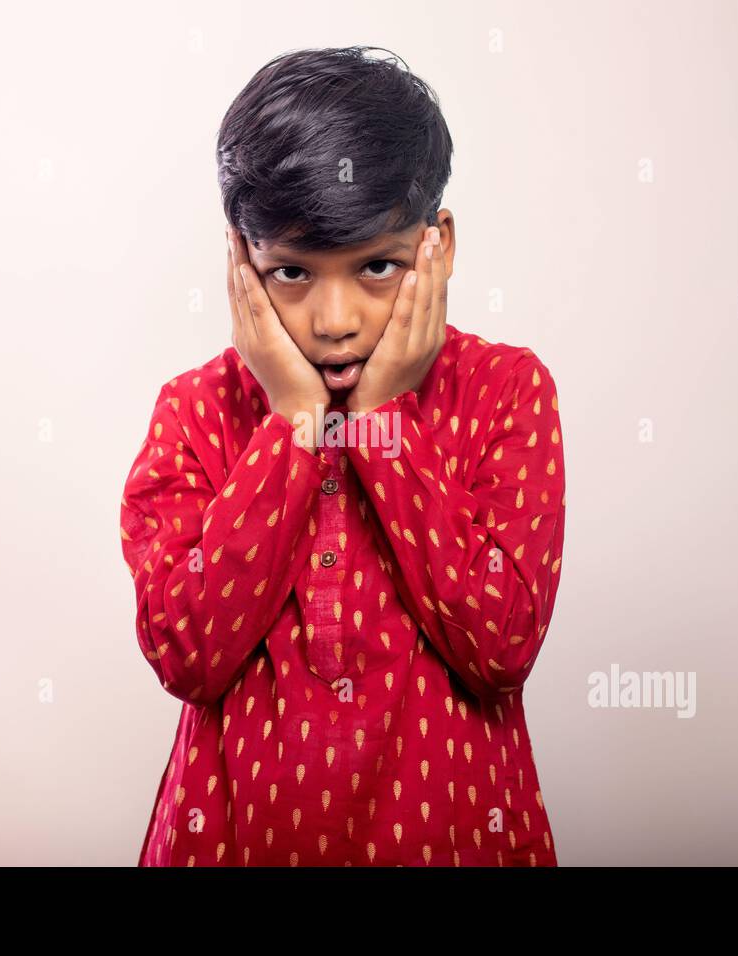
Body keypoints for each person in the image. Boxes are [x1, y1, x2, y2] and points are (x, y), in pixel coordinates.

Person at [120, 46, 565, 866]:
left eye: (378, 267)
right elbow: (188, 653)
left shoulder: (506, 391)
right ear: (240, 263)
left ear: (441, 246)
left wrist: (384, 416)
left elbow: (501, 648)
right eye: (291, 271)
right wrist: (292, 418)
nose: (334, 319)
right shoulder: (197, 410)